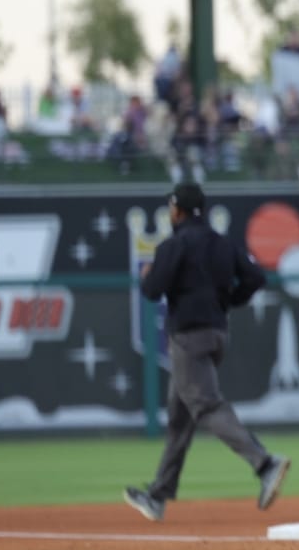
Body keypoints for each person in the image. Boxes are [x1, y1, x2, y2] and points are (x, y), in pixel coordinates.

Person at [124, 183, 289, 521]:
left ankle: (265, 463)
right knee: (179, 418)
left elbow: (154, 290)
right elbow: (256, 277)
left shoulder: (175, 244)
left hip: (188, 336)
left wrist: (146, 276)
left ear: (176, 210)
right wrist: (228, 300)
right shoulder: (221, 243)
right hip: (217, 333)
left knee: (207, 406)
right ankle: (158, 494)